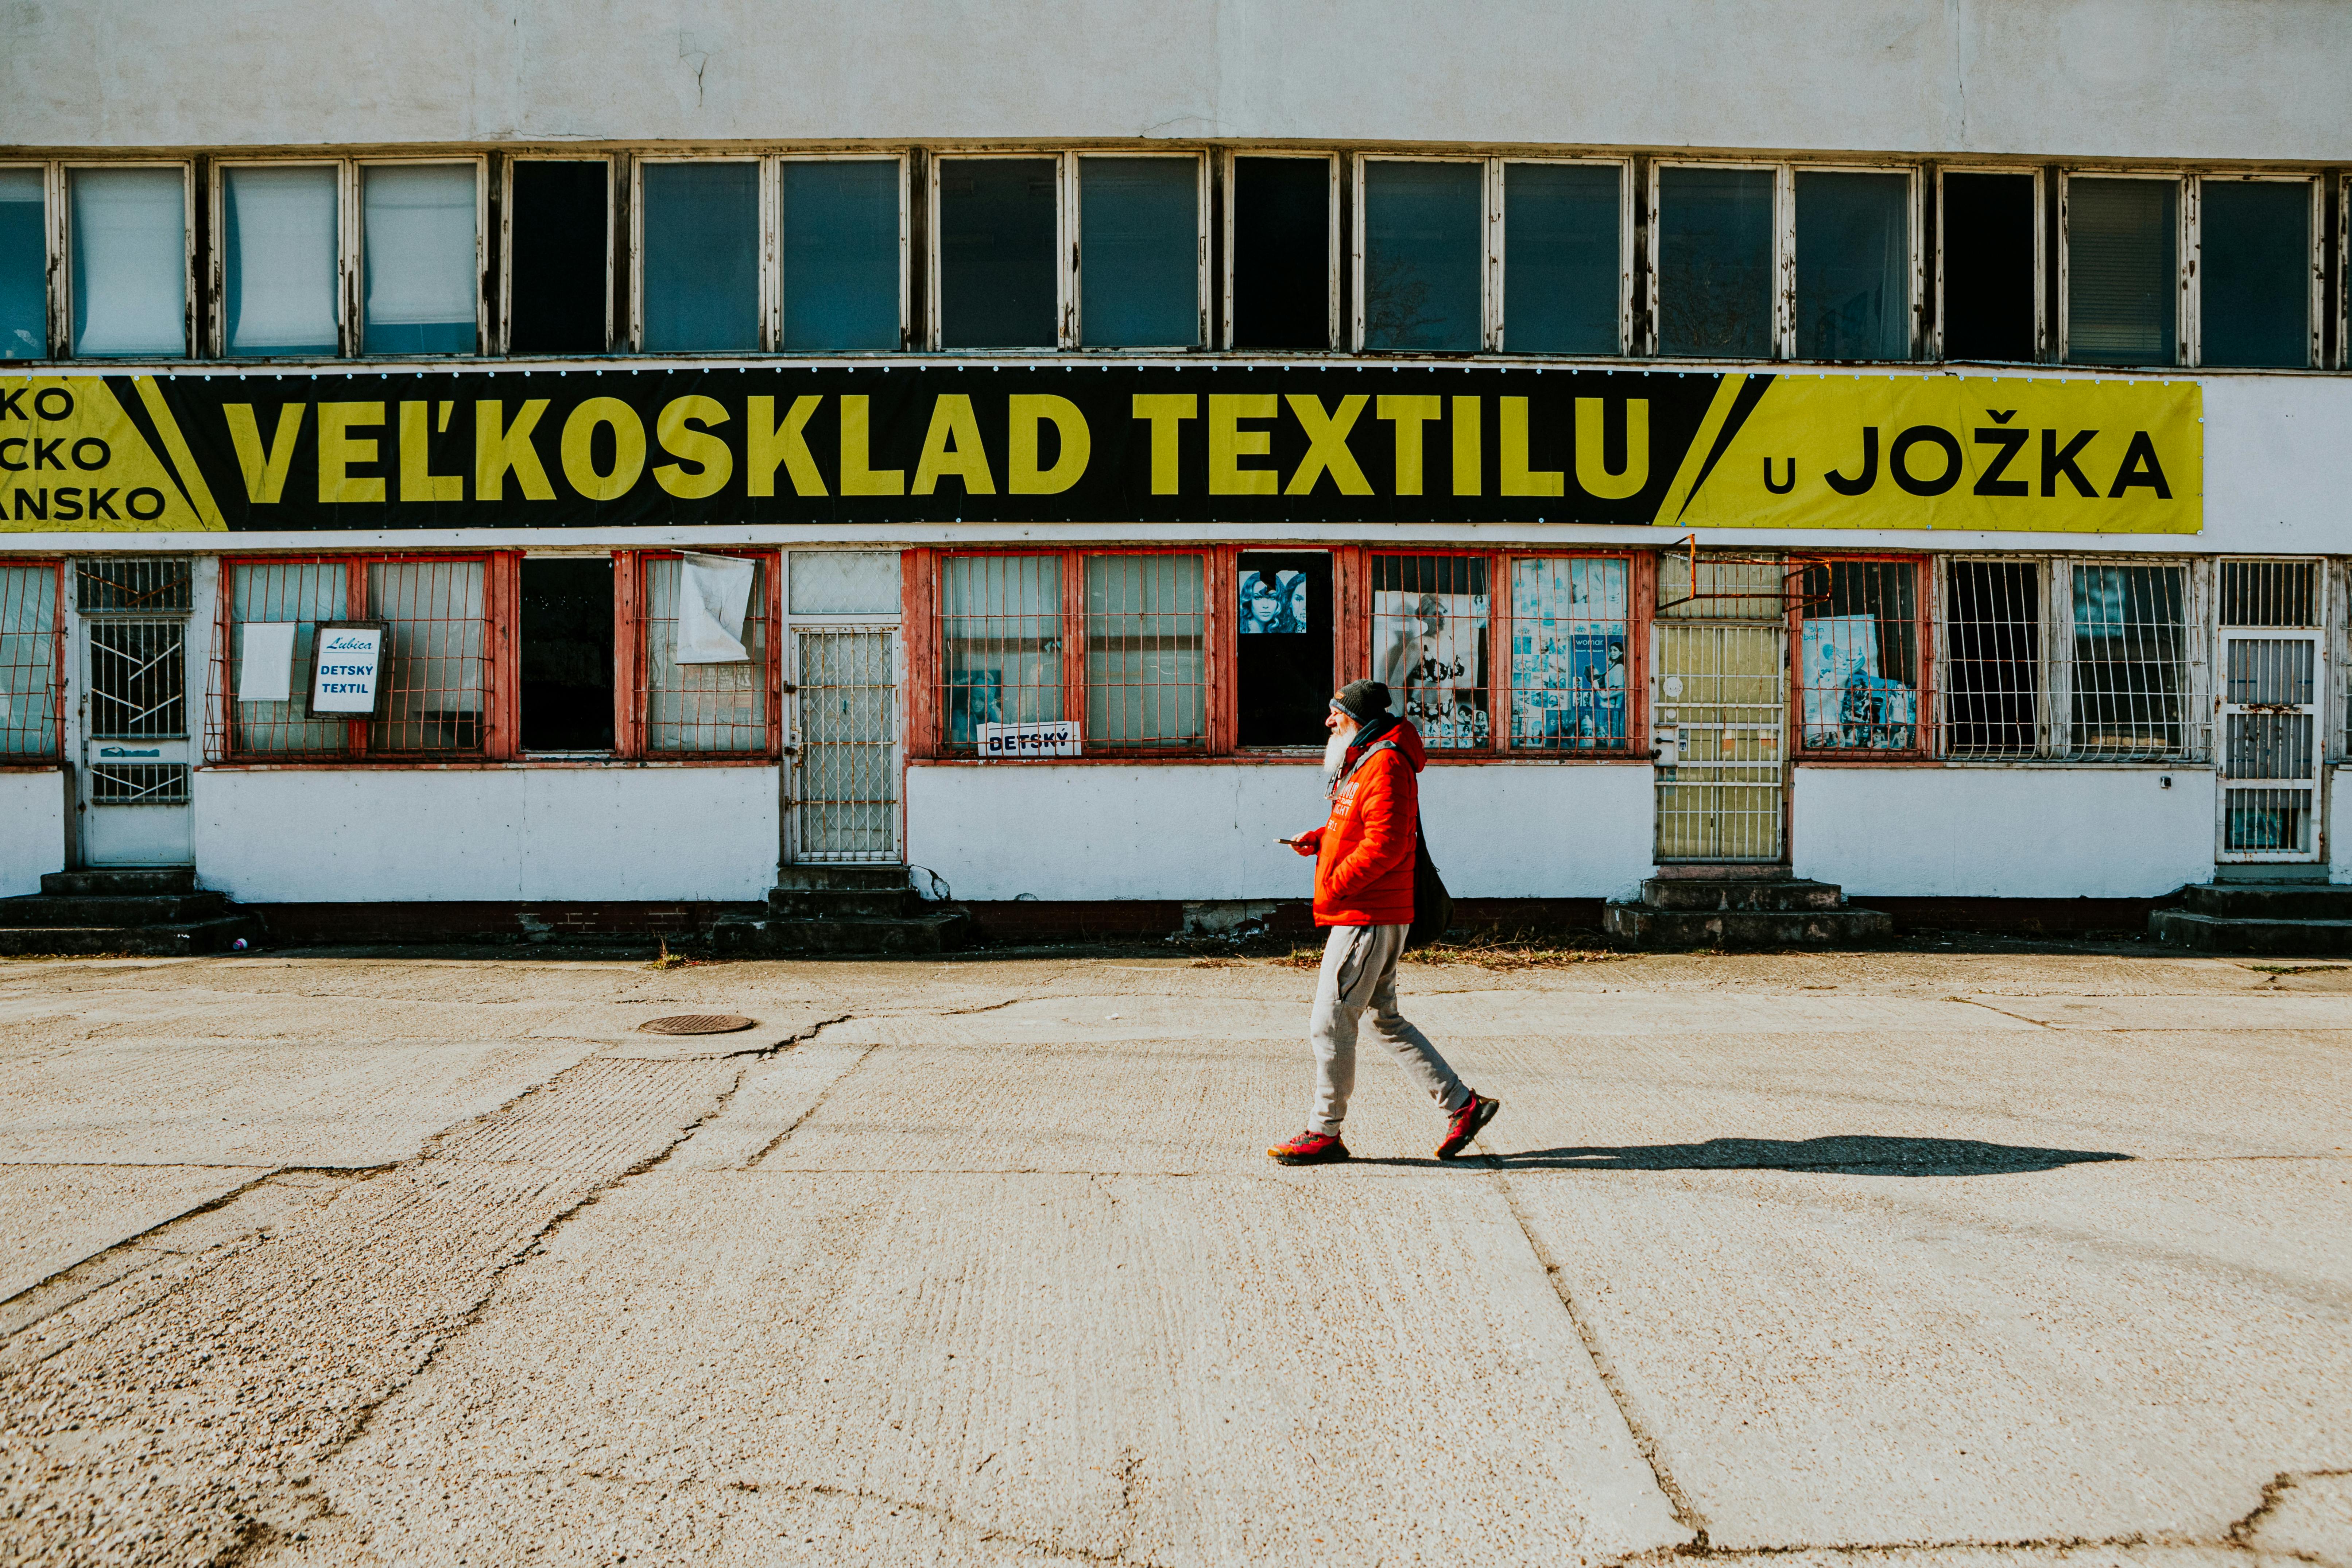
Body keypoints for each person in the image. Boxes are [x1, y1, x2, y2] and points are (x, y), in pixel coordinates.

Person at [1266, 680, 1500, 1166]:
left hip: (1367, 916)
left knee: (1330, 1022)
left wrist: (1336, 881)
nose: (1328, 721)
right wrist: (1318, 840)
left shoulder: (1387, 764)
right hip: (1370, 910)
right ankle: (1463, 1105)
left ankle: (1322, 1131)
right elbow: (1360, 827)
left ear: (1357, 718)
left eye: (1336, 713)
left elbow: (1387, 844)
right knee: (1382, 1019)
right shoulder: (1366, 761)